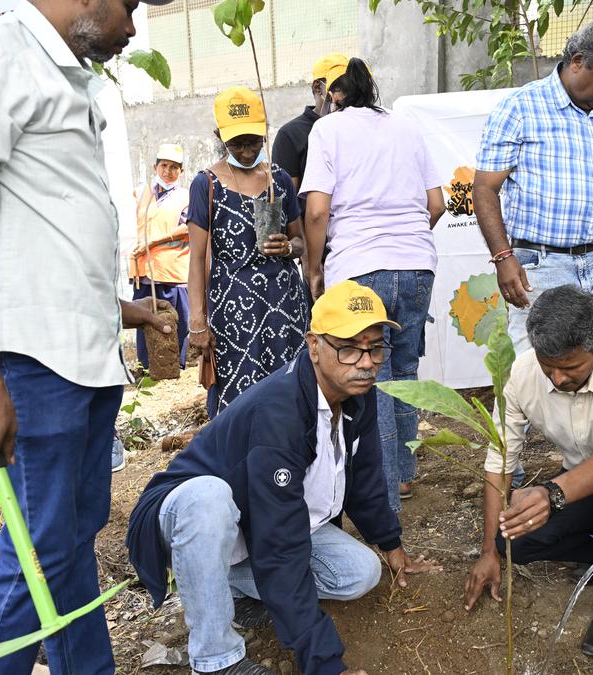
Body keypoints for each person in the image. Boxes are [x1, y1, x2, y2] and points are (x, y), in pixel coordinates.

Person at [0, 1, 176, 672]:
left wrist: (130, 314)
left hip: (80, 363)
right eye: (130, 7)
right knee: (35, 550)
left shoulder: (62, 75)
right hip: (27, 368)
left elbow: (45, 245)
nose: (132, 29)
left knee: (66, 541)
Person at [127, 281, 438, 675]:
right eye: (348, 347)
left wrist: (392, 546)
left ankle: (236, 590)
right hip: (186, 518)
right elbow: (280, 546)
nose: (365, 362)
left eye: (375, 348)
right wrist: (325, 664)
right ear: (313, 346)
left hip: (259, 521)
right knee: (208, 498)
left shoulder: (356, 394)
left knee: (361, 573)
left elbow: (366, 479)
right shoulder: (280, 411)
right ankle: (215, 659)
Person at [462, 285, 593, 658]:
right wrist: (489, 551)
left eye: (570, 367)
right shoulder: (521, 373)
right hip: (581, 487)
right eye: (547, 366)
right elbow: (499, 464)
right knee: (515, 543)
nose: (556, 378)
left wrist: (550, 494)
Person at [473, 18, 593, 356]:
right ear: (578, 61)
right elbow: (484, 189)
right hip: (541, 265)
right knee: (534, 369)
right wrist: (503, 258)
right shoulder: (520, 108)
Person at [300, 57, 444, 511]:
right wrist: (408, 241)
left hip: (359, 266)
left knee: (370, 374)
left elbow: (318, 211)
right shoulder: (407, 127)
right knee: (403, 370)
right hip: (418, 264)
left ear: (333, 94)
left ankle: (384, 497)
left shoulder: (327, 130)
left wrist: (316, 265)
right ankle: (402, 476)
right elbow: (435, 204)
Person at [186, 86, 309, 419]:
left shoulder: (279, 180)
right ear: (219, 137)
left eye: (253, 141)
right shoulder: (206, 184)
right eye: (236, 143)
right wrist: (197, 320)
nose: (245, 151)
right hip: (234, 312)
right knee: (239, 397)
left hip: (285, 307)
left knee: (290, 390)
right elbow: (197, 258)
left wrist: (288, 247)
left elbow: (301, 243)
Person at [131, 142, 191, 372]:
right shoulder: (140, 192)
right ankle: (146, 367)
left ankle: (175, 363)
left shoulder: (186, 196)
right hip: (145, 269)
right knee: (144, 317)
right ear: (155, 167)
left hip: (174, 269)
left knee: (179, 319)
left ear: (181, 171)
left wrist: (154, 242)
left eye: (174, 167)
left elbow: (187, 229)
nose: (168, 171)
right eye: (164, 165)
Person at [271, 52, 348, 193]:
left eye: (350, 86)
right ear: (318, 87)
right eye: (339, 86)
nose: (345, 93)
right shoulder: (290, 134)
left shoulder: (351, 127)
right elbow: (287, 198)